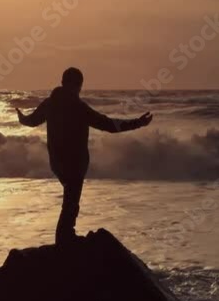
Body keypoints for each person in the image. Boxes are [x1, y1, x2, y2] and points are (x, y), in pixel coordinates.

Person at [16, 67, 153, 244]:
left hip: (57, 163)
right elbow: (108, 124)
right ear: (78, 85)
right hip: (74, 163)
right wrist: (138, 123)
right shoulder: (78, 107)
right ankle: (65, 238)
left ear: (62, 82)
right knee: (71, 202)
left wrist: (21, 118)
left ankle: (65, 236)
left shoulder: (49, 104)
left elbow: (31, 121)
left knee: (70, 200)